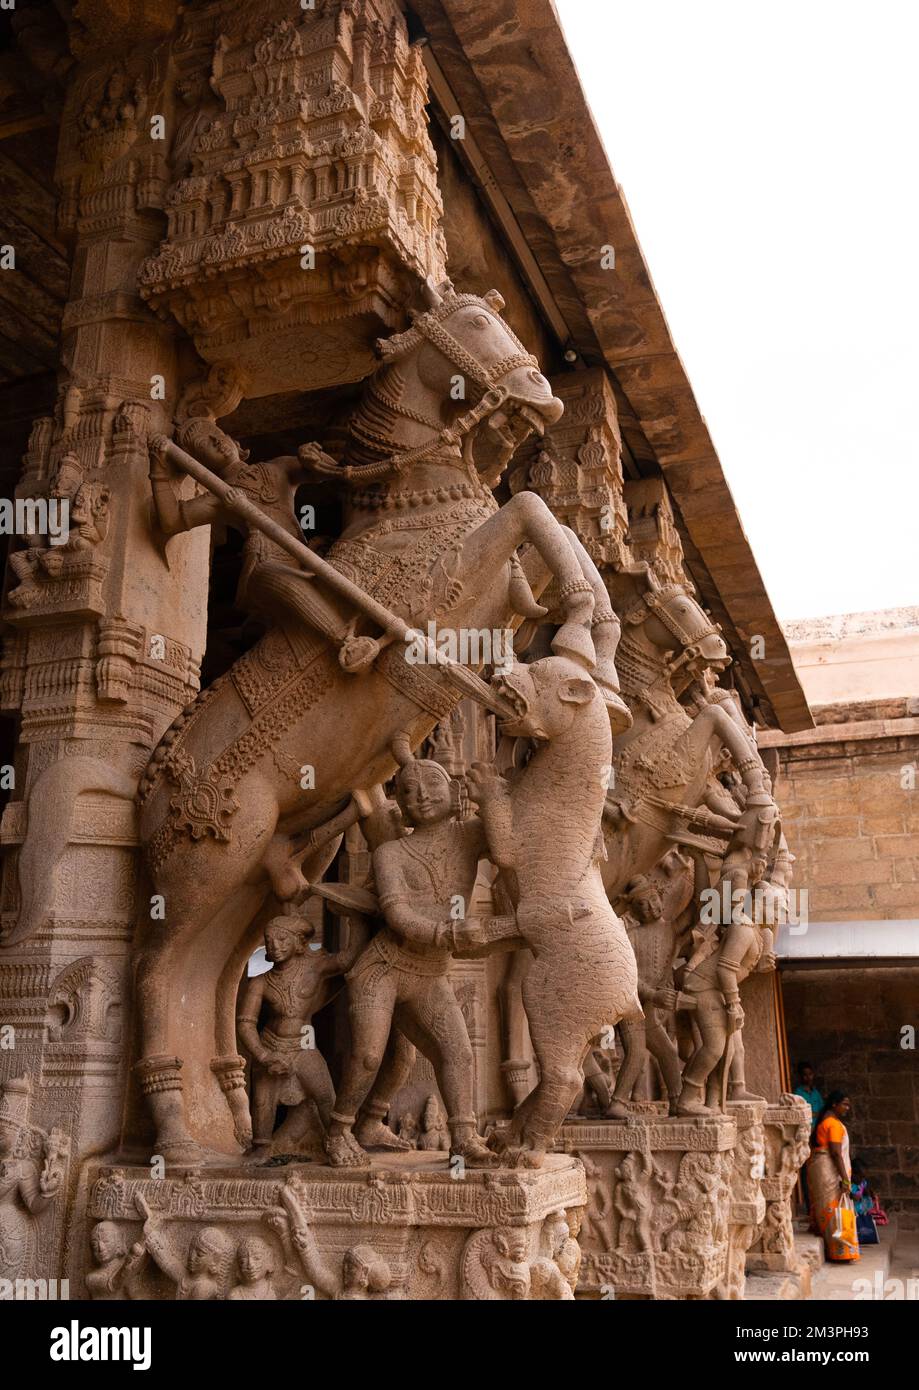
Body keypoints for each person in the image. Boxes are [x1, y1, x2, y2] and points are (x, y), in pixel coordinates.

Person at [808, 1092, 859, 1263]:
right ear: (834, 1105)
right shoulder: (833, 1125)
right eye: (844, 1104)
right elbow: (836, 1153)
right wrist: (845, 1179)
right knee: (834, 1209)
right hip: (829, 1171)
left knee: (827, 1208)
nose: (847, 1108)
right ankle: (839, 1251)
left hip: (820, 1168)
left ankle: (835, 1249)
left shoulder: (823, 1123)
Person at [794, 1061, 824, 1135]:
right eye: (805, 1075)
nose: (808, 1077)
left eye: (810, 1074)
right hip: (805, 1130)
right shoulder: (798, 1093)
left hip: (818, 1128)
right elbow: (797, 1113)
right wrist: (813, 1114)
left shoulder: (815, 1093)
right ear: (800, 1076)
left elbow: (822, 1109)